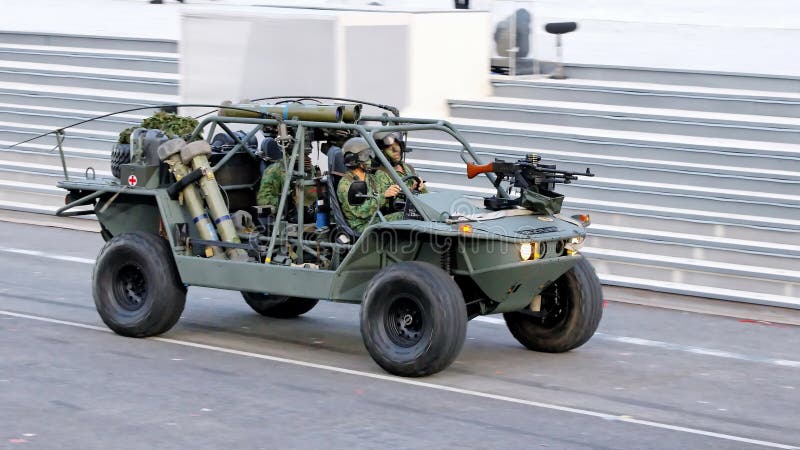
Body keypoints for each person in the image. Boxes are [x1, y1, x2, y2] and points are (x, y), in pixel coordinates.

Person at [337, 137, 403, 233]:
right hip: (360, 227)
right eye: (365, 156)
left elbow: (385, 192)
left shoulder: (370, 178)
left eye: (369, 155)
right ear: (353, 160)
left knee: (409, 214)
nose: (369, 160)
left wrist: (406, 190)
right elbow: (360, 212)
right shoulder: (346, 184)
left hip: (374, 219)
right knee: (402, 217)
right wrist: (384, 196)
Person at [256, 150, 318, 221]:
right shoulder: (274, 170)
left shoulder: (311, 169)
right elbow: (263, 200)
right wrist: (287, 202)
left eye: (307, 154)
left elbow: (313, 193)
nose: (307, 158)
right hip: (285, 218)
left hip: (311, 216)